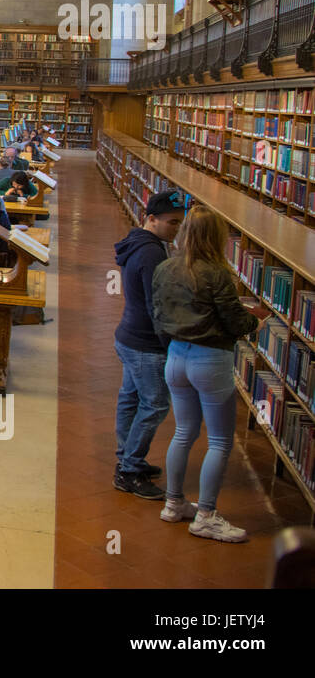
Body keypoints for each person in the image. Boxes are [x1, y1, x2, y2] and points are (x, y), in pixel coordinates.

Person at [152, 206, 267, 543]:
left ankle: (173, 504)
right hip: (210, 360)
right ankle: (206, 516)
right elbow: (235, 322)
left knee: (184, 431)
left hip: (175, 357)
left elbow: (157, 313)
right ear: (217, 239)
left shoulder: (165, 268)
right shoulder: (216, 273)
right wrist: (256, 321)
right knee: (219, 440)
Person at [112, 190, 185, 499]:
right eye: (172, 223)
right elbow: (158, 305)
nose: (177, 229)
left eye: (181, 224)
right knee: (155, 404)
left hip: (129, 335)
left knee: (131, 398)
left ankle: (128, 457)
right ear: (152, 219)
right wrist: (170, 342)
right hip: (145, 343)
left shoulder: (138, 242)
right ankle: (130, 470)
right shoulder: (152, 253)